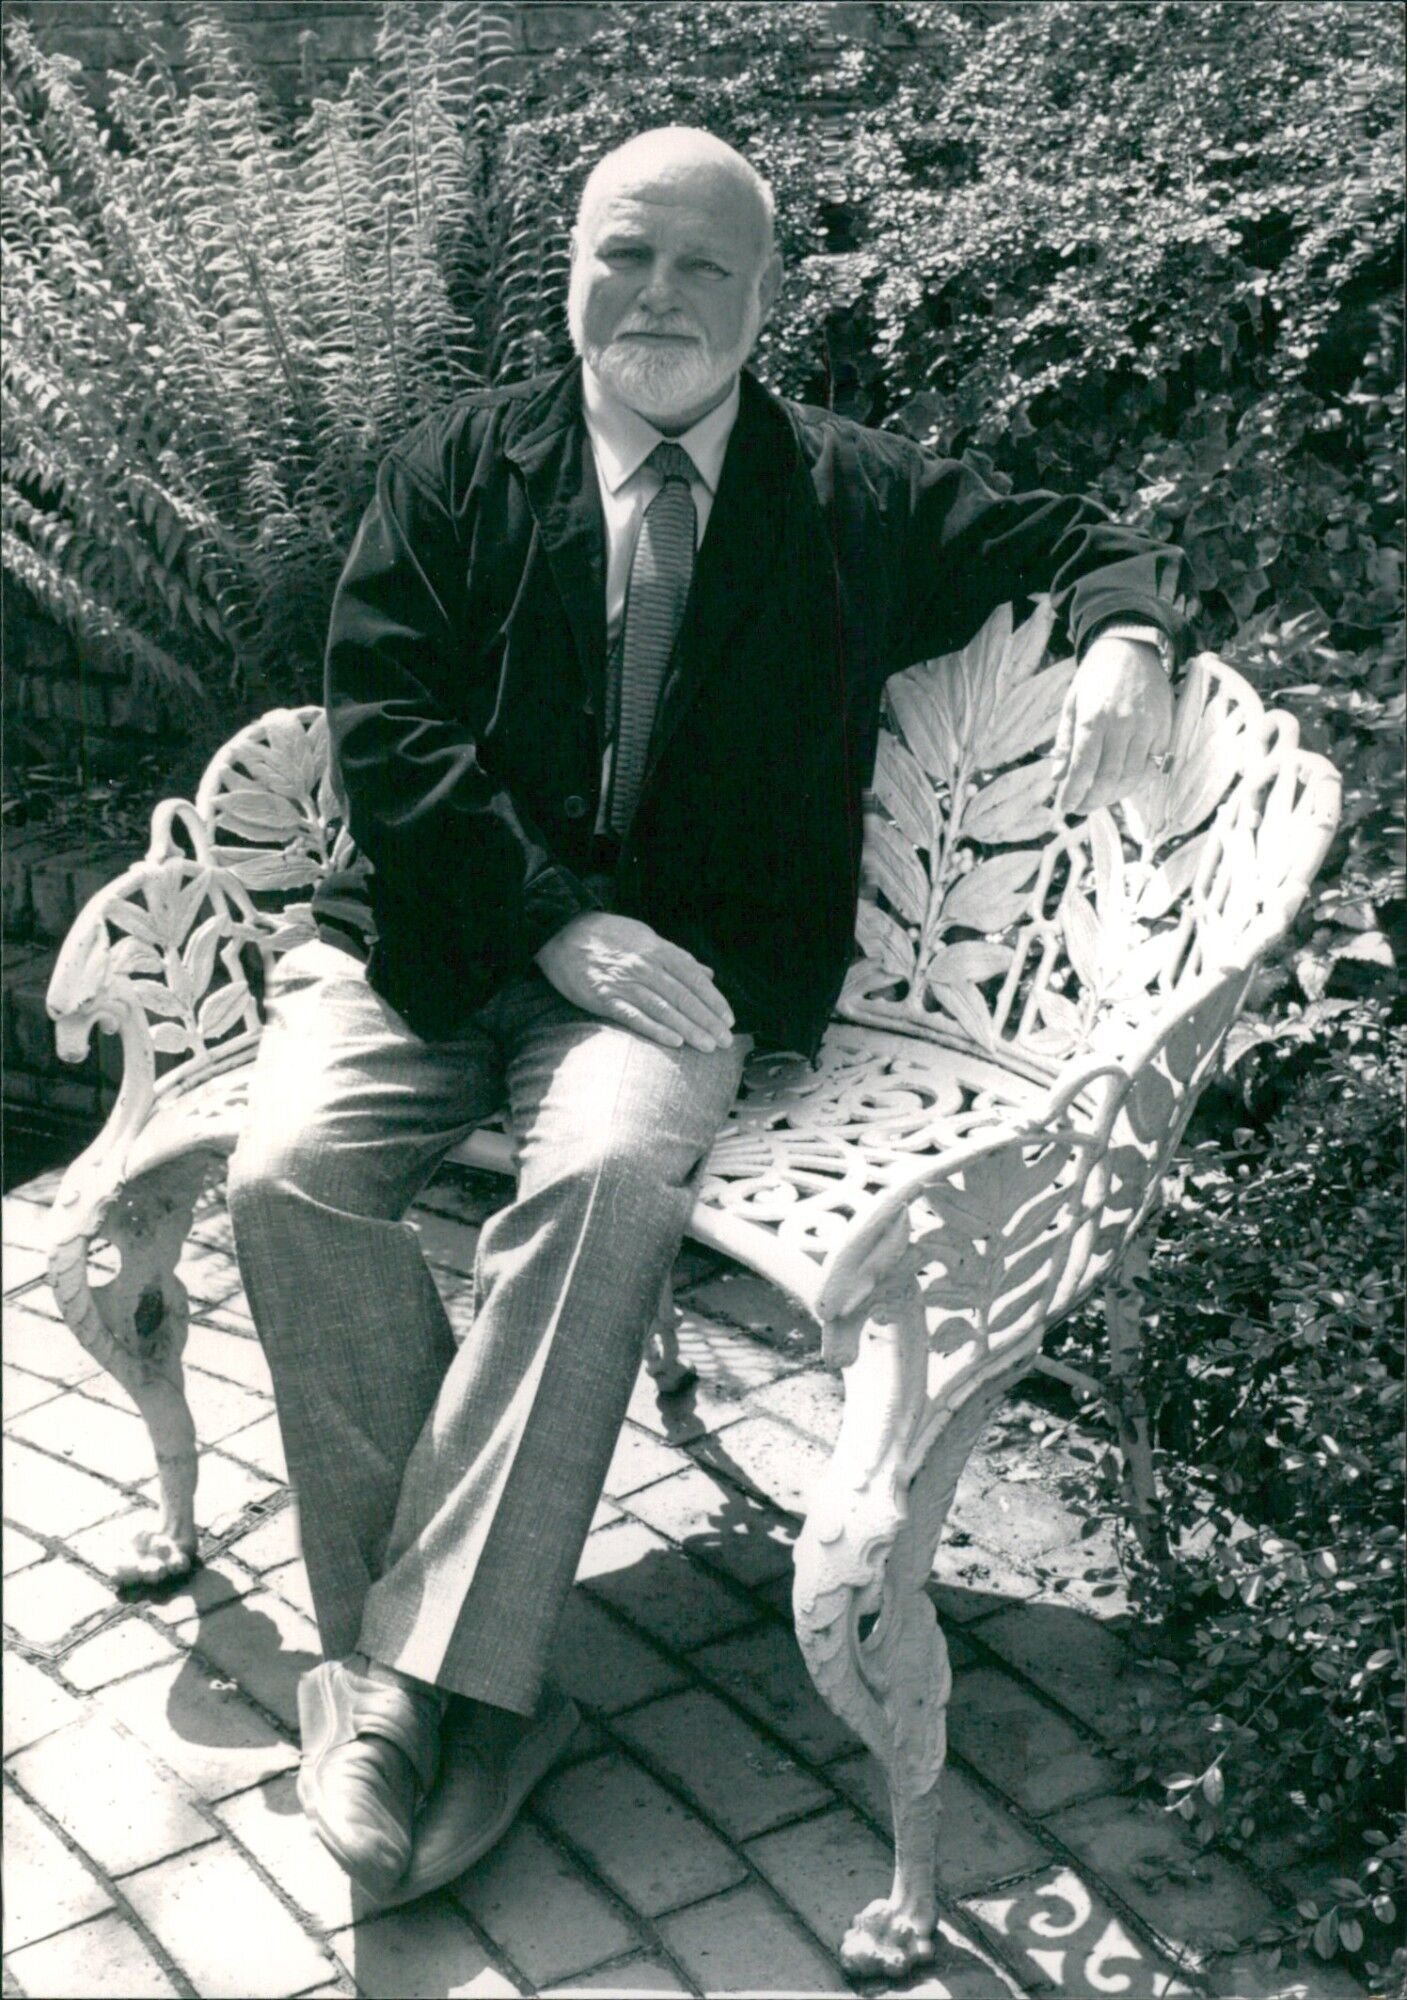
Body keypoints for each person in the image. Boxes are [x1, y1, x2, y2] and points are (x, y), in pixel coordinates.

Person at [227, 125, 1188, 1904]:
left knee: (597, 1183)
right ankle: (449, 1669)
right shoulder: (459, 466)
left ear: (765, 295)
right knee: (286, 1175)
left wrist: (1126, 629)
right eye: (623, 256)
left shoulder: (847, 497)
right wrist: (552, 922)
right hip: (437, 934)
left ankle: (411, 1692)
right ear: (574, 269)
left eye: (699, 268)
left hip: (677, 975)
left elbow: (1088, 536)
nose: (653, 298)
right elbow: (389, 723)